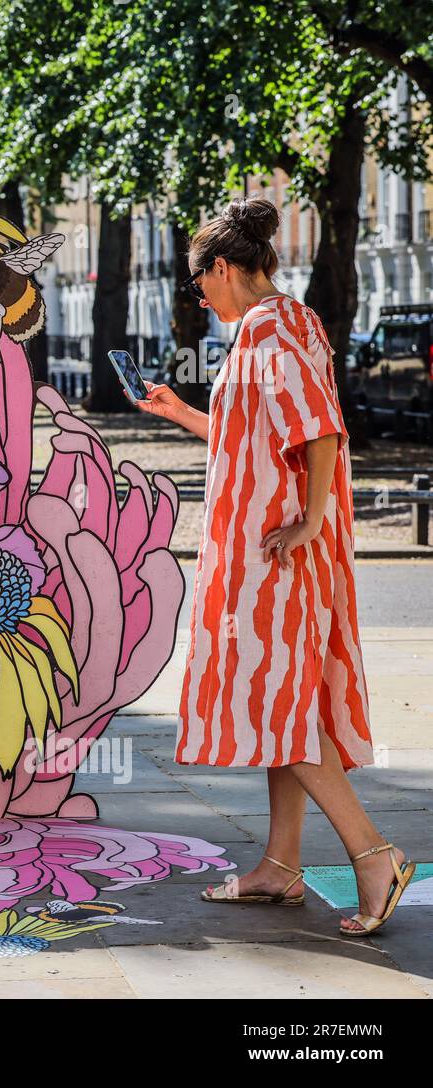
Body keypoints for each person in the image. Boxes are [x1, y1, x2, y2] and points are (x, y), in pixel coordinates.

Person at [134, 197, 415, 935]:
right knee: (281, 703)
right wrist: (185, 415)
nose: (202, 300)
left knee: (280, 708)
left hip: (276, 557)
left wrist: (310, 518)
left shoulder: (270, 335)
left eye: (200, 287)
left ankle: (373, 854)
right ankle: (281, 865)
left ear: (222, 268)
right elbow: (258, 434)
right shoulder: (286, 325)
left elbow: (320, 432)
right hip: (276, 551)